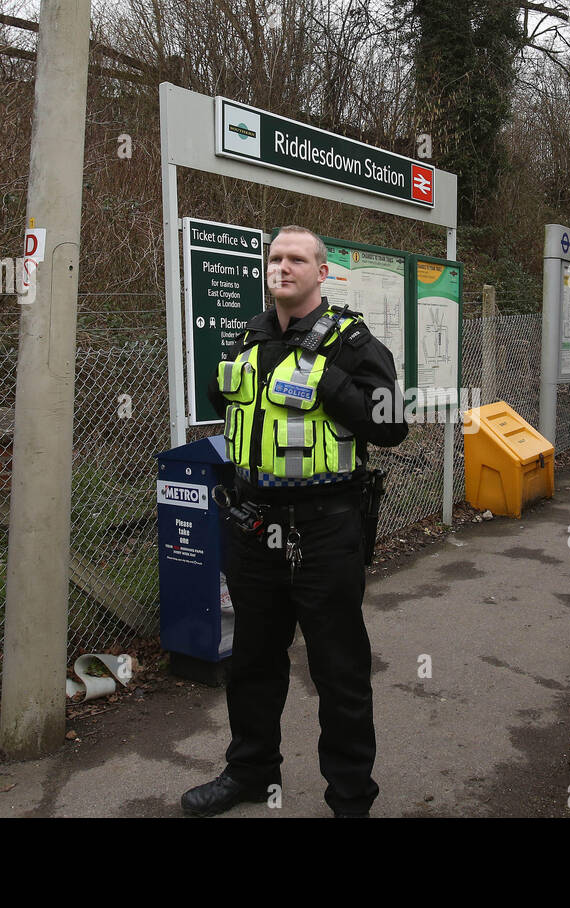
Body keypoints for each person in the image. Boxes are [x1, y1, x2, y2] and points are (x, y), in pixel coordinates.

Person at [181, 225, 408, 818]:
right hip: (254, 527)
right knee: (253, 660)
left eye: (297, 258)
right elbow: (223, 403)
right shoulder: (249, 337)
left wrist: (329, 383)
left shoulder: (352, 342)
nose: (282, 266)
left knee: (339, 669)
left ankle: (351, 799)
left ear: (321, 273)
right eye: (275, 257)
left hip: (326, 529)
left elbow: (390, 424)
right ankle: (251, 772)